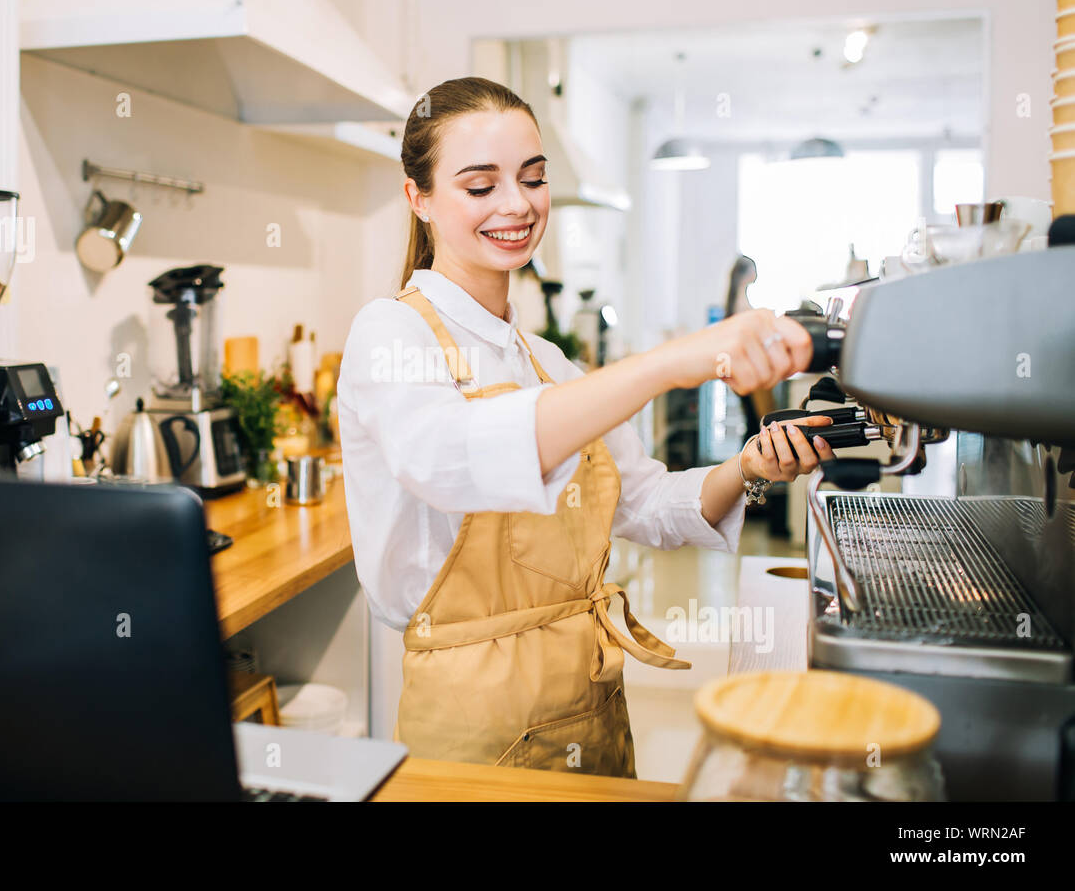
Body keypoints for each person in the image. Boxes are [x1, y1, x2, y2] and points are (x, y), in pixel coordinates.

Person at [335, 77, 833, 778]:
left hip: (592, 702)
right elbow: (451, 461)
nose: (516, 204)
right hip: (476, 729)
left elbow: (648, 505)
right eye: (480, 186)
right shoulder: (389, 332)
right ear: (418, 198)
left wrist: (749, 467)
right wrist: (666, 363)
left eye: (532, 178)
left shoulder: (547, 362)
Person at [724, 254, 777, 448]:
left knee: (752, 421)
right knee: (756, 423)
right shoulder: (741, 304)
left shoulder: (734, 302)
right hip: (749, 370)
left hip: (744, 370)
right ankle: (747, 467)